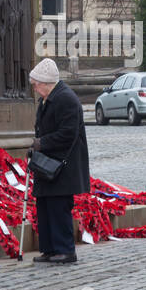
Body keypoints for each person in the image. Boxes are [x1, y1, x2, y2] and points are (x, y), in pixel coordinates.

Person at [28, 58, 89, 265]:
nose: (35, 88)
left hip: (63, 165)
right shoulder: (48, 99)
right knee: (44, 206)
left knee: (58, 207)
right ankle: (50, 249)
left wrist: (41, 143)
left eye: (36, 84)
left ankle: (65, 250)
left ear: (46, 82)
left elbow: (67, 134)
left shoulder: (66, 99)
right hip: (47, 164)